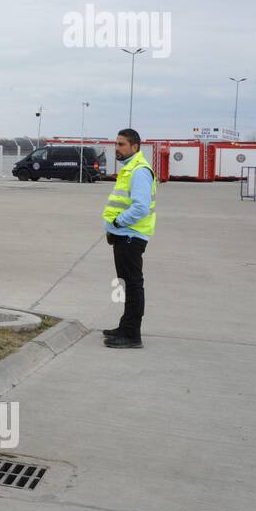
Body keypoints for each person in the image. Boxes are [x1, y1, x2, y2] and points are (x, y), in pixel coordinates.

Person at [102, 128, 155, 349]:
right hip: (124, 236)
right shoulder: (130, 168)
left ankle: (132, 334)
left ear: (135, 147)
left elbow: (141, 207)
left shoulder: (139, 170)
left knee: (133, 284)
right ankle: (125, 326)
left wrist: (118, 222)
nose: (117, 148)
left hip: (131, 236)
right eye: (116, 143)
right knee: (126, 282)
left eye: (122, 144)